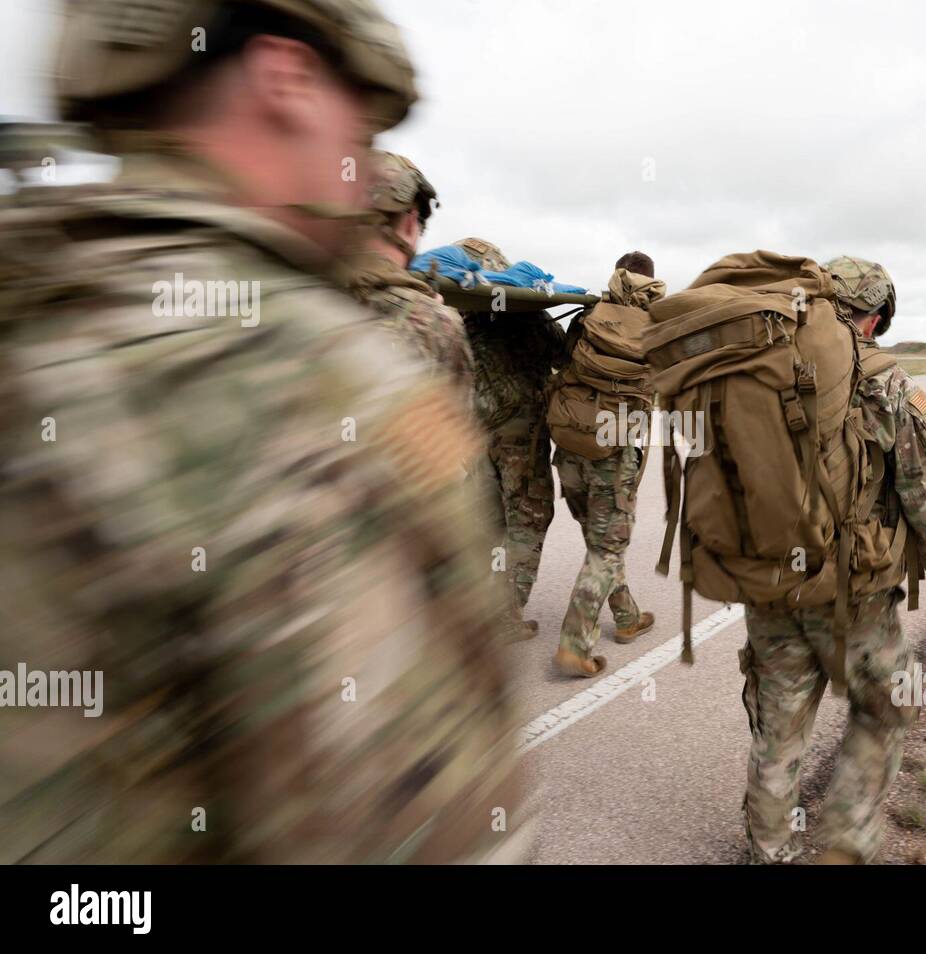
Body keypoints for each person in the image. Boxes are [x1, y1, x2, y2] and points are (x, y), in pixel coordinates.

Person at [0, 0, 524, 863]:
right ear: (286, 78)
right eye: (360, 130)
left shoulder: (35, 314)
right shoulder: (315, 376)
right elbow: (415, 815)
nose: (361, 175)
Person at [738, 256, 926, 864]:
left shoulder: (757, 373)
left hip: (767, 583)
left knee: (778, 723)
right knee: (885, 705)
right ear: (873, 319)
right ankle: (844, 842)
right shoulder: (890, 385)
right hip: (854, 595)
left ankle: (767, 848)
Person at [551, 251, 661, 677]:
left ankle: (627, 617)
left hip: (571, 447)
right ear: (651, 281)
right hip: (613, 453)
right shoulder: (658, 325)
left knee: (600, 542)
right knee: (608, 546)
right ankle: (574, 645)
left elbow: (562, 360)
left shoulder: (588, 316)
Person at [455, 237, 567, 638]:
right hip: (520, 437)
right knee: (528, 519)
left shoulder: (456, 319)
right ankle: (505, 614)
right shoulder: (528, 317)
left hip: (473, 437)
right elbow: (562, 358)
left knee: (486, 524)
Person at [345, 150, 474, 405]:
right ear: (411, 222)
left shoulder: (277, 294)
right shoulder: (434, 323)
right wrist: (429, 316)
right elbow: (453, 433)